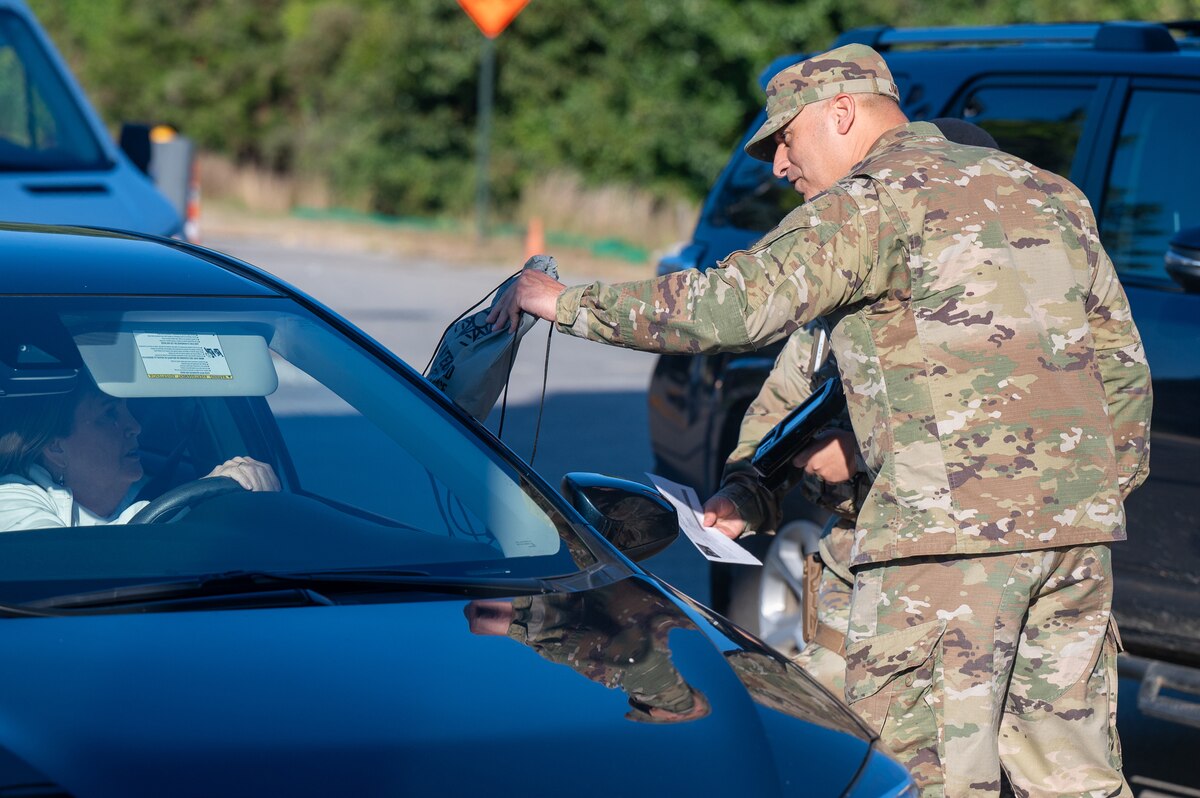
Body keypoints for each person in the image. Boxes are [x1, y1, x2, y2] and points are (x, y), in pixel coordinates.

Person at [486, 43, 1151, 796]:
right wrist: (1093, 497)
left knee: (915, 779)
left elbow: (730, 306)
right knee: (1076, 781)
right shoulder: (1052, 195)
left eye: (784, 139)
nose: (777, 166)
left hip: (947, 552)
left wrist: (566, 304)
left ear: (841, 112)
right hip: (1076, 545)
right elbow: (1121, 373)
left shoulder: (874, 201)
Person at [706, 119, 1004, 699]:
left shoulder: (999, 314)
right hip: (865, 563)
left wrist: (867, 457)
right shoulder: (854, 282)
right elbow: (784, 408)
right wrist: (745, 494)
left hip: (977, 570)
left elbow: (1008, 445)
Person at [0, 374, 280, 531]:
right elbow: (68, 566)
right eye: (110, 414)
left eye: (127, 411)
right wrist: (199, 504)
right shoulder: (10, 499)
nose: (135, 426)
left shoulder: (146, 491)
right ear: (55, 447)